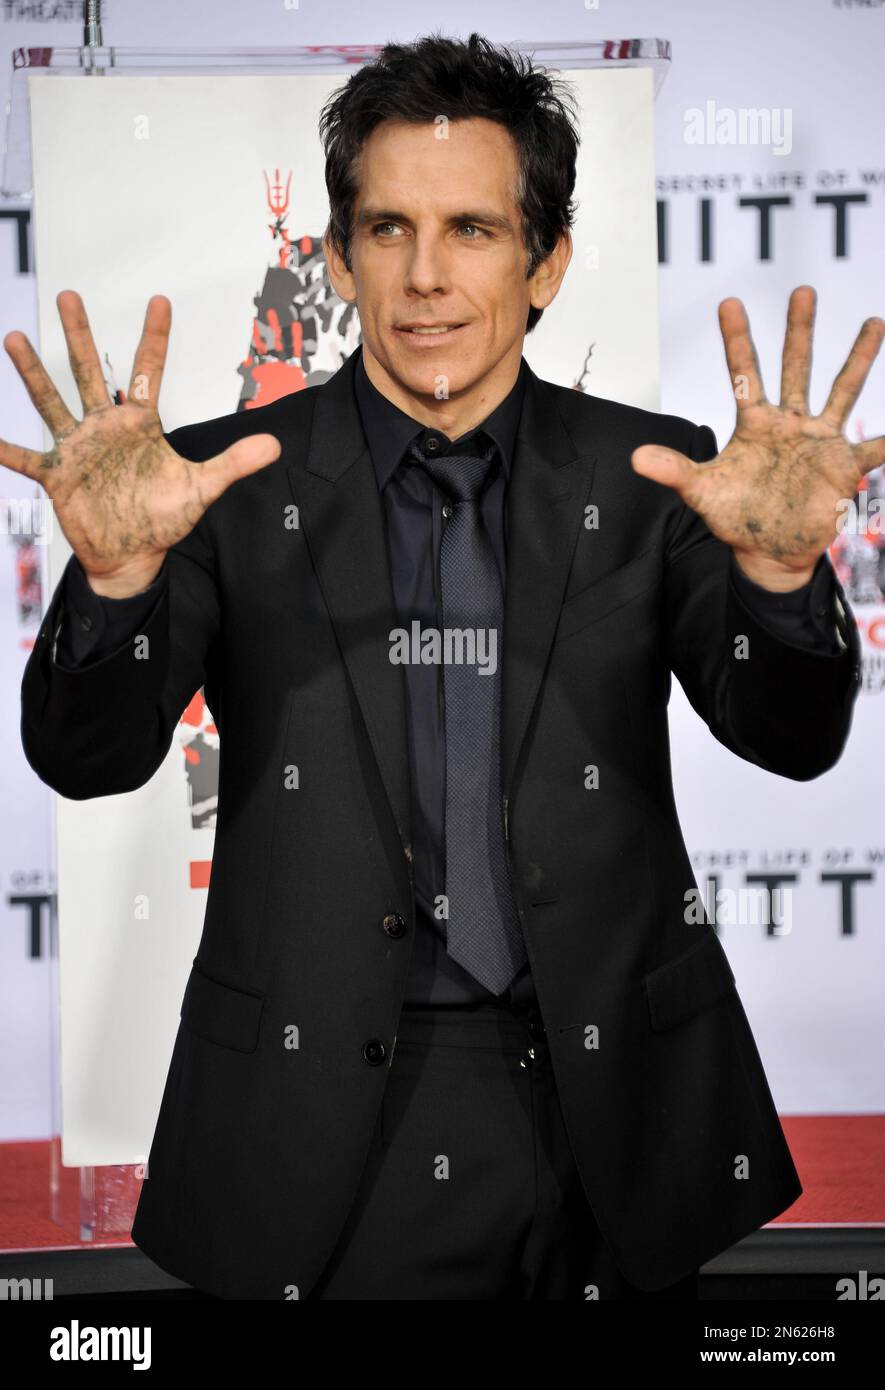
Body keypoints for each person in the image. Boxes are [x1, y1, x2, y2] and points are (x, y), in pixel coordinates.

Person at [5, 33, 879, 1301]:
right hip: (312, 1117)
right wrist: (122, 579)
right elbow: (88, 758)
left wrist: (786, 584)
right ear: (340, 252)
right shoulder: (219, 482)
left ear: (548, 262)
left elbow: (791, 738)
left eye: (471, 229)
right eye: (387, 229)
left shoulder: (662, 478)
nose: (425, 278)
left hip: (608, 1113)